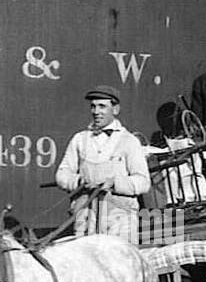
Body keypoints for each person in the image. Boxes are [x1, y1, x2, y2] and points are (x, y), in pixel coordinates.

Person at [54, 85, 150, 244]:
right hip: (85, 219)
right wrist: (79, 181)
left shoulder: (129, 141)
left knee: (118, 265)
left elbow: (143, 182)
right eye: (93, 106)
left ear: (116, 109)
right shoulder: (80, 139)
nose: (96, 111)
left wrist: (115, 183)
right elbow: (62, 174)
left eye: (102, 106)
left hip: (119, 220)